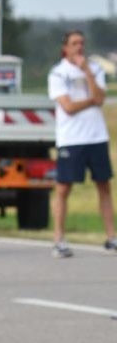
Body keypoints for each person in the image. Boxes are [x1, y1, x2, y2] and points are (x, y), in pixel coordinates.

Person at [47, 30, 114, 258]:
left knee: (104, 185)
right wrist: (91, 101)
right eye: (75, 43)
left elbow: (100, 97)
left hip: (96, 136)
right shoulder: (58, 73)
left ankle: (111, 237)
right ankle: (59, 239)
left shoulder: (94, 69)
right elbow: (69, 107)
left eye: (82, 43)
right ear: (65, 47)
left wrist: (87, 72)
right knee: (64, 188)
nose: (79, 47)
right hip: (71, 138)